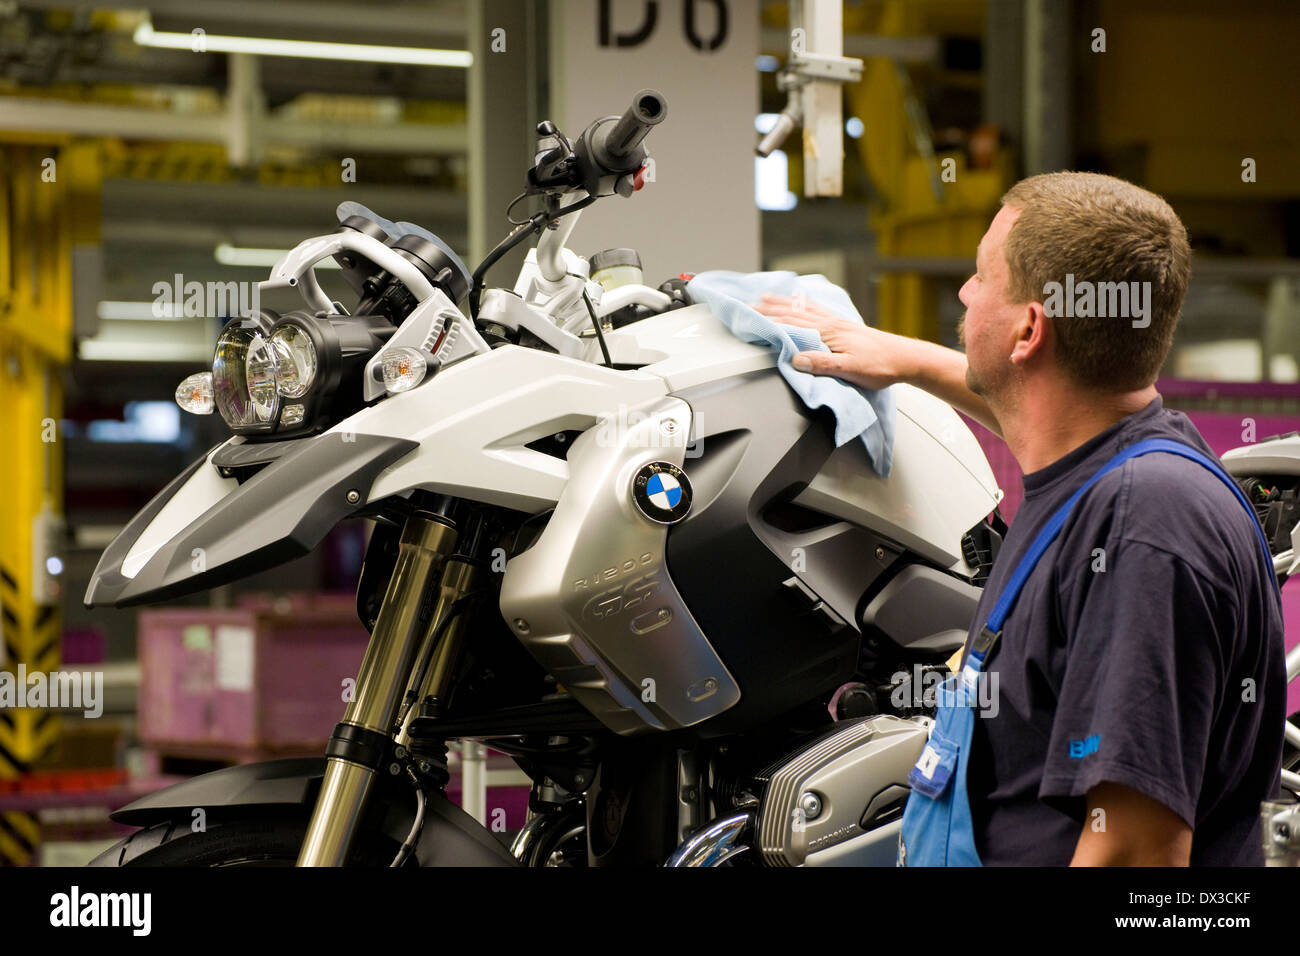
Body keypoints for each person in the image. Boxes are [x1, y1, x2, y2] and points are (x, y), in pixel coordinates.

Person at [754, 171, 1287, 866]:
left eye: (981, 277)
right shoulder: (1108, 461)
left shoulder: (1143, 530)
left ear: (1030, 329)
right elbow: (1035, 411)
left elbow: (1136, 854)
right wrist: (907, 359)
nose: (964, 293)